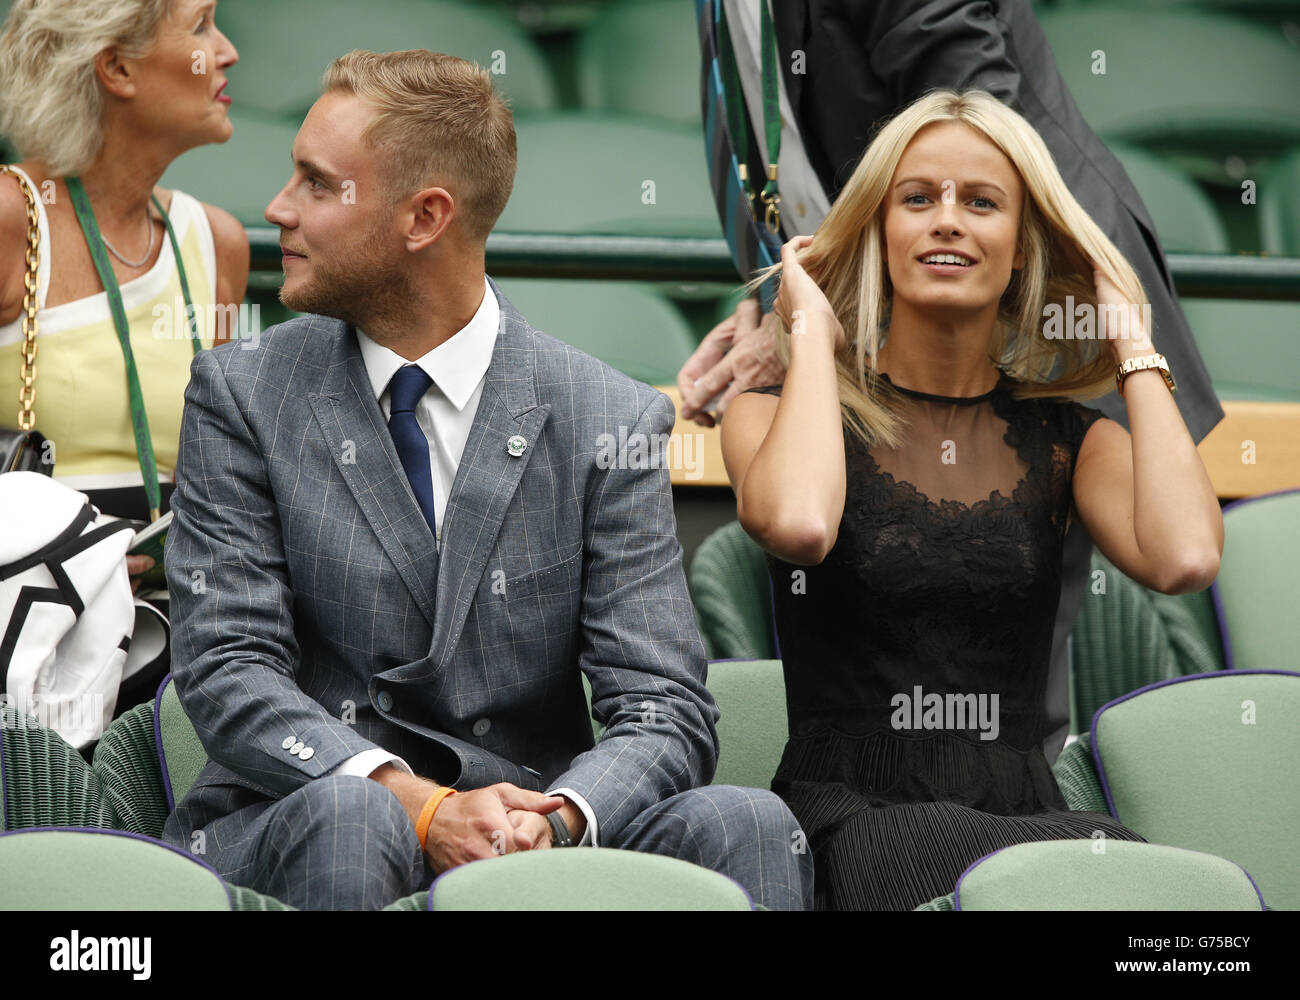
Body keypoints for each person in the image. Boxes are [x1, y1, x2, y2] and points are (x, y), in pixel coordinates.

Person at [160, 48, 812, 911]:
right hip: (309, 812)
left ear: (424, 217)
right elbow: (227, 669)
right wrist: (418, 804)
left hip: (528, 823)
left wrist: (560, 818)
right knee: (358, 820)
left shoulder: (606, 417)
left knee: (749, 822)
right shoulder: (242, 394)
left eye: (318, 184)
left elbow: (662, 705)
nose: (278, 208)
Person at [719, 89, 1223, 910]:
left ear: (1020, 248)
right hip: (858, 814)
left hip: (1029, 814)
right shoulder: (771, 415)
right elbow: (801, 524)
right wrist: (811, 334)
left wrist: (1135, 343)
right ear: (881, 232)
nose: (947, 220)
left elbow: (1186, 557)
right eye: (917, 199)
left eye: (981, 202)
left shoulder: (1069, 438)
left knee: (1164, 900)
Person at [0, 0, 248, 564]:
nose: (227, 51)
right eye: (201, 25)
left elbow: (230, 475)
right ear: (117, 68)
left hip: (177, 631)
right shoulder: (9, 215)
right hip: (28, 632)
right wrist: (72, 559)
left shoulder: (217, 242)